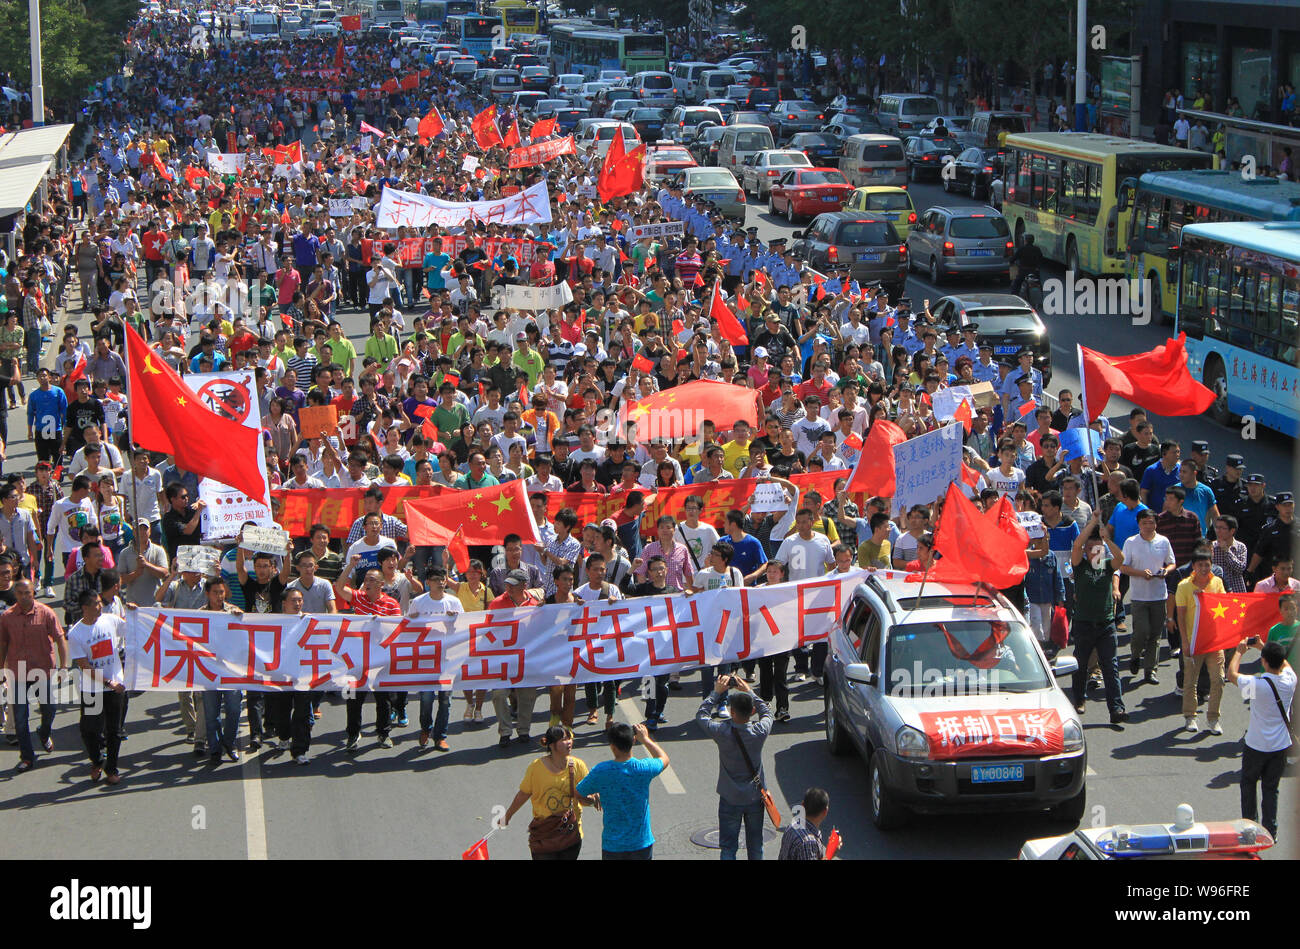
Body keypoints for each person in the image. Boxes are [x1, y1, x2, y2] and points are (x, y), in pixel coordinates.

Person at [697, 672, 775, 860]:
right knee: (756, 846)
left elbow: (701, 715)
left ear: (732, 712)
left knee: (728, 848)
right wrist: (750, 691)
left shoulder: (721, 731)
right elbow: (767, 712)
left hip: (729, 799)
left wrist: (716, 692)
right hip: (754, 797)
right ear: (751, 712)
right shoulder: (759, 731)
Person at [1226, 638, 1294, 838]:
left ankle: (1249, 829)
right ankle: (1271, 830)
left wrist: (1239, 651)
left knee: (1248, 784)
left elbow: (1231, 675)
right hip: (1280, 746)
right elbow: (1285, 665)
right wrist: (1263, 646)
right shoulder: (1290, 680)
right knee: (1271, 789)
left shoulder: (1256, 685)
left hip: (1256, 745)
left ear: (1264, 661)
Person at [502, 725, 600, 860]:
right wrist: (507, 816)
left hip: (570, 834)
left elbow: (587, 797)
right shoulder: (536, 768)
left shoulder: (578, 766)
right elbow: (523, 794)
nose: (569, 742)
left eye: (569, 738)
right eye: (564, 739)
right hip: (544, 835)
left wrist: (592, 799)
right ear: (552, 745)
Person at [575, 722, 669, 860]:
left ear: (612, 746)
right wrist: (646, 739)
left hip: (613, 845)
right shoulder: (643, 768)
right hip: (641, 843)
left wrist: (593, 800)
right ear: (634, 741)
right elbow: (664, 758)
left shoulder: (601, 771)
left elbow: (578, 793)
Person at [0, 577, 66, 771]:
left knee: (49, 709)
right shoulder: (7, 617)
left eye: (27, 593)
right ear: (15, 595)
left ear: (33, 593)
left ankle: (44, 733)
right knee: (20, 717)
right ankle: (27, 757)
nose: (23, 596)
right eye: (19, 593)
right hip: (18, 673)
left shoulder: (46, 613)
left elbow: (60, 639)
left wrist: (63, 667)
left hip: (42, 670)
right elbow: (3, 644)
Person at [1069, 515, 1127, 724]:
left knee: (1110, 667)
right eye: (1092, 549)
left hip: (1106, 624)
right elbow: (1076, 544)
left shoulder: (1107, 566)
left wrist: (1107, 539)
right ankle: (1079, 699)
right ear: (1086, 551)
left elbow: (1121, 558)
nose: (1096, 553)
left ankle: (1116, 709)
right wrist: (1093, 523)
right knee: (1081, 665)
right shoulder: (1080, 566)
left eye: (1099, 549)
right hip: (1084, 623)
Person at [66, 589, 127, 785]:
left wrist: (134, 612)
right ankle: (97, 760)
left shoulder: (111, 620)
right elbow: (84, 666)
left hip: (115, 687)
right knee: (89, 730)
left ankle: (112, 769)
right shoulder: (76, 633)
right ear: (85, 608)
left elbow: (134, 629)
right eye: (95, 604)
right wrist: (108, 682)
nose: (100, 606)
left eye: (100, 602)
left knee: (114, 730)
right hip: (93, 689)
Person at [407, 567, 461, 751]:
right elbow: (407, 628)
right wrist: (411, 619)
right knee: (427, 698)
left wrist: (457, 620)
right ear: (427, 582)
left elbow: (464, 629)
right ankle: (425, 729)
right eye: (436, 579)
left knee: (445, 699)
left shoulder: (454, 602)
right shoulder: (418, 602)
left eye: (443, 579)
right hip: (425, 658)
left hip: (447, 659)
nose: (440, 582)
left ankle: (440, 736)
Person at [1174, 550, 1226, 734]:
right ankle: (1190, 716)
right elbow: (1180, 616)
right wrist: (1185, 642)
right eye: (1200, 565)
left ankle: (1213, 718)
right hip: (1194, 641)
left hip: (1214, 641)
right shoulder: (1184, 586)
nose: (1204, 568)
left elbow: (1224, 607)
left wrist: (1207, 598)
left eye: (1207, 565)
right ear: (1194, 567)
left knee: (1218, 679)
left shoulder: (1217, 582)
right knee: (1190, 681)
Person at [779, 787, 831, 860]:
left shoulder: (792, 826)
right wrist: (830, 854)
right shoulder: (809, 843)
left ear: (802, 805)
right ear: (825, 812)